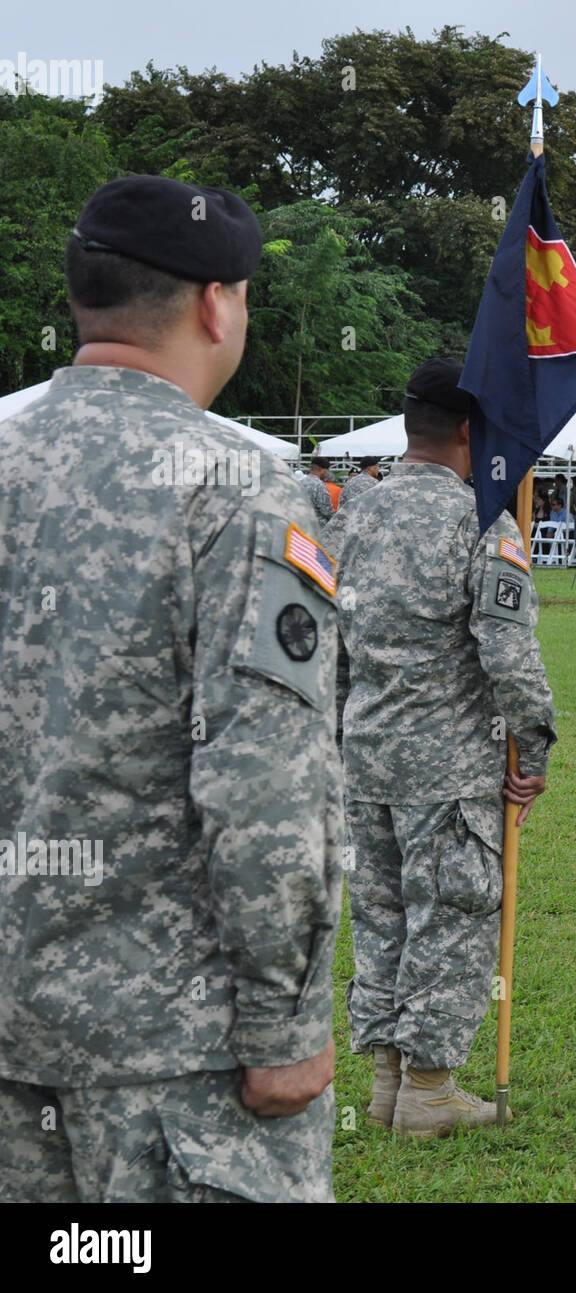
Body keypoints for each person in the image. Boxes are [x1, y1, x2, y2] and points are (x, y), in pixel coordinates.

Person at [0, 175, 342, 1202]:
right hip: (175, 1059)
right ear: (216, 302)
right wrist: (285, 1021)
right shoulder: (240, 491)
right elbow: (263, 785)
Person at [329, 356, 556, 1137]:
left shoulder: (350, 515)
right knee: (451, 915)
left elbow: (327, 649)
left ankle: (389, 1084)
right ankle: (428, 1087)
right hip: (447, 764)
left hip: (364, 758)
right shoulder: (480, 520)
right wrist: (535, 747)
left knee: (383, 915)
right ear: (471, 428)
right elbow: (507, 653)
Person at [303, 455, 336, 523]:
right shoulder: (320, 485)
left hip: (302, 524)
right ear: (322, 470)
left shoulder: (301, 482)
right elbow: (326, 511)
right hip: (317, 526)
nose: (327, 473)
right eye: (327, 470)